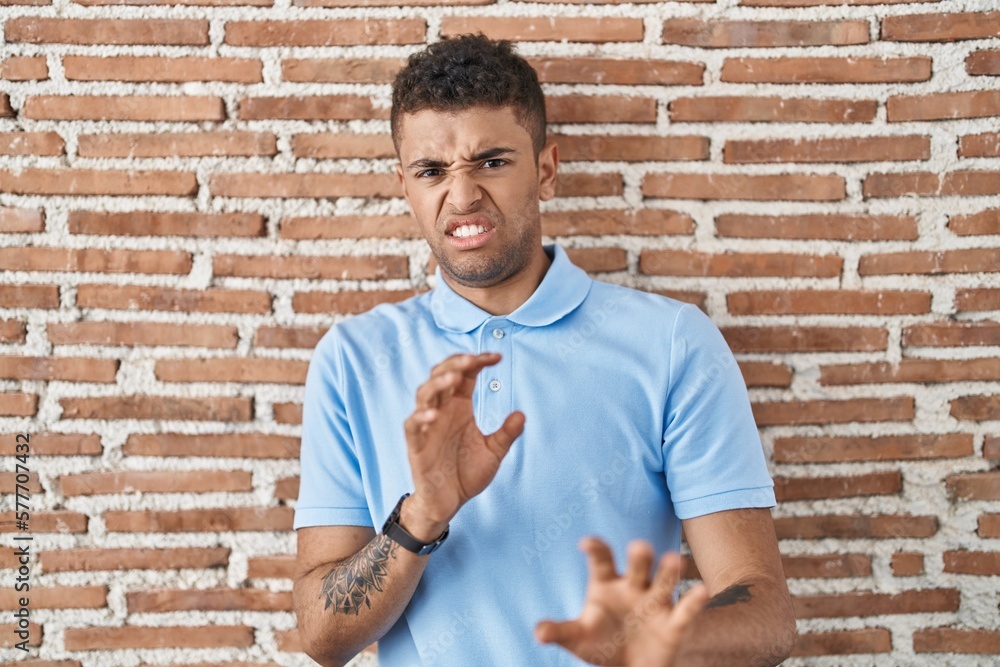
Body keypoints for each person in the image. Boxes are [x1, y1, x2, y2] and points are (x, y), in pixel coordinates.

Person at [292, 33, 796, 667]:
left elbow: (768, 615)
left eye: (492, 161)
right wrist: (422, 515)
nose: (464, 194)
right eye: (431, 171)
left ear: (547, 169)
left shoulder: (672, 342)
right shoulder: (352, 359)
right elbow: (321, 638)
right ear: (405, 185)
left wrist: (656, 644)